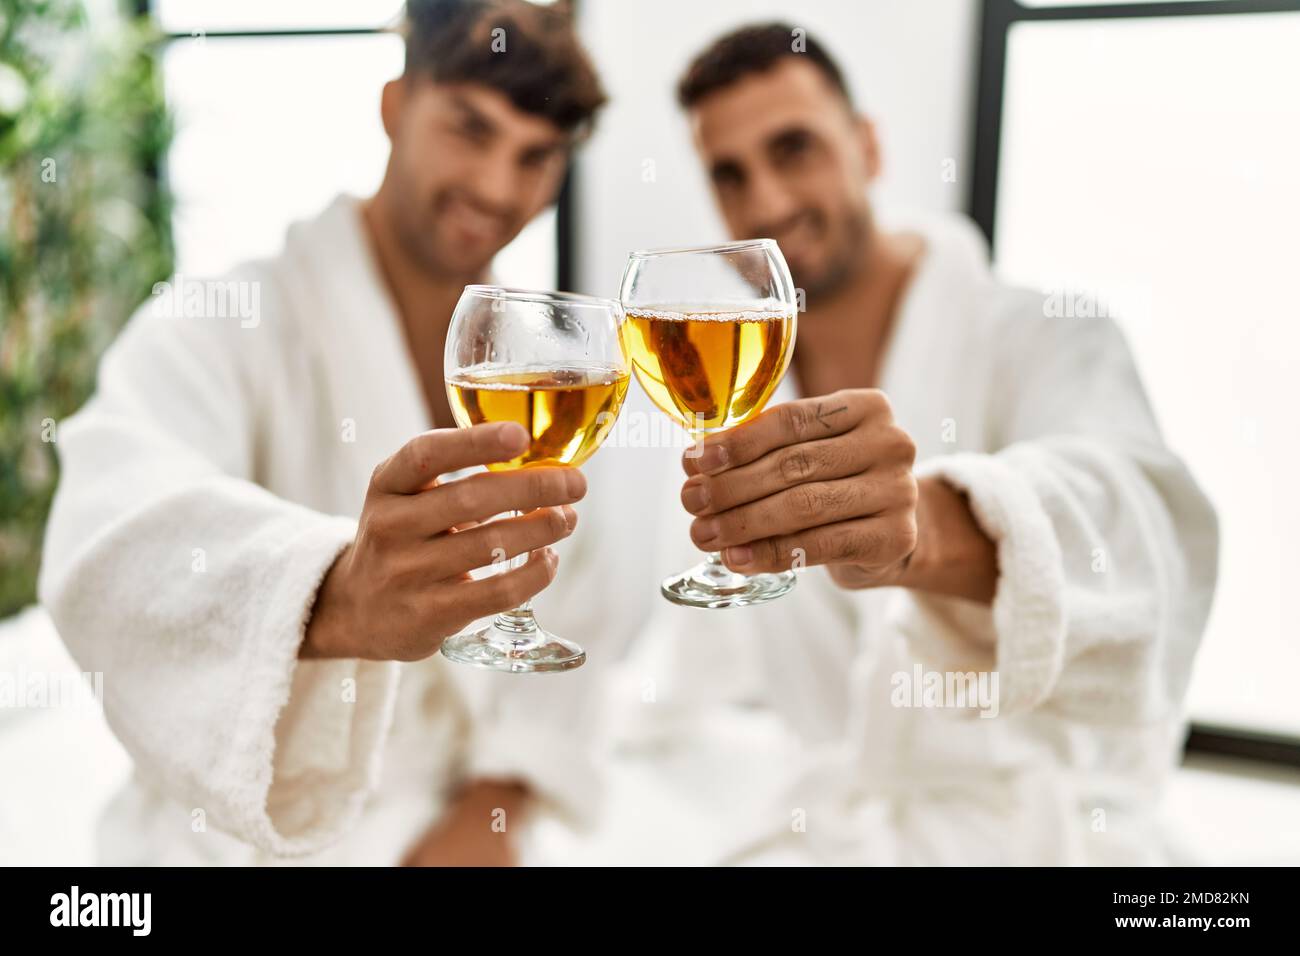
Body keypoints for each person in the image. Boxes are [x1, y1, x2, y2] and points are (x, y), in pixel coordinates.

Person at [590, 23, 1219, 865]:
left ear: (869, 147)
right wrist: (531, 764)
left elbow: (1142, 528)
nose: (769, 202)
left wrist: (928, 524)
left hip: (1041, 838)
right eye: (730, 174)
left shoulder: (1038, 337)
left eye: (795, 148)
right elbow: (692, 660)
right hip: (843, 835)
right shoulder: (748, 397)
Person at [39, 0, 615, 865]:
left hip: (455, 819)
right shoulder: (225, 323)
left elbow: (576, 613)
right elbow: (106, 533)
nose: (499, 188)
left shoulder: (551, 379)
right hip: (245, 833)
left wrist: (490, 809)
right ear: (394, 106)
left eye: (535, 157)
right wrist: (335, 597)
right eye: (469, 129)